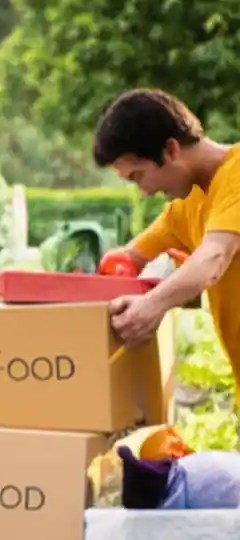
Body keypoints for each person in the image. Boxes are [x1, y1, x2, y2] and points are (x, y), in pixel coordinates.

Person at [93, 89, 240, 384]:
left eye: (138, 176)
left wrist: (151, 305)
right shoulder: (185, 208)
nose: (144, 191)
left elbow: (213, 258)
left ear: (171, 150)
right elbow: (128, 258)